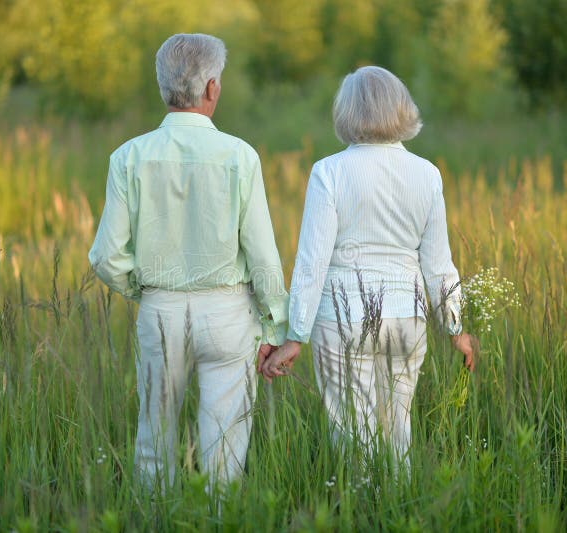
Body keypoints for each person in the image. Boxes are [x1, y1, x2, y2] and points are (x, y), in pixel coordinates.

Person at [88, 33, 288, 490]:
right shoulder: (240, 156)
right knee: (225, 449)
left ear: (162, 86)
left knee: (153, 441)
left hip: (160, 308)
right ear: (212, 87)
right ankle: (220, 517)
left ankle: (154, 516)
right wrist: (275, 327)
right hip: (228, 313)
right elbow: (262, 254)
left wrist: (144, 289)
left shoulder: (128, 157)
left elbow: (106, 256)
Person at [259, 66, 477, 465]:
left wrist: (295, 335)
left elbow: (312, 261)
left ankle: (361, 501)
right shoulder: (427, 174)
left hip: (341, 321)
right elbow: (438, 264)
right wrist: (455, 328)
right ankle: (399, 501)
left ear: (347, 112)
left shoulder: (329, 172)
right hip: (406, 318)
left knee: (352, 441)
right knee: (398, 433)